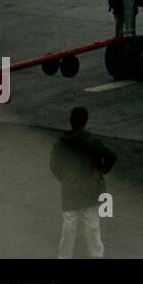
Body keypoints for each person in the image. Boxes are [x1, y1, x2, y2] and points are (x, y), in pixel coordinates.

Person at [49, 106, 116, 258]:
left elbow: (53, 165)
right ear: (85, 122)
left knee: (69, 227)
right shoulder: (92, 141)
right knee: (92, 226)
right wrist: (102, 170)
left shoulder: (61, 143)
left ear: (71, 122)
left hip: (70, 190)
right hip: (91, 189)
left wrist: (63, 177)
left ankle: (64, 256)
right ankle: (96, 255)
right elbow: (111, 156)